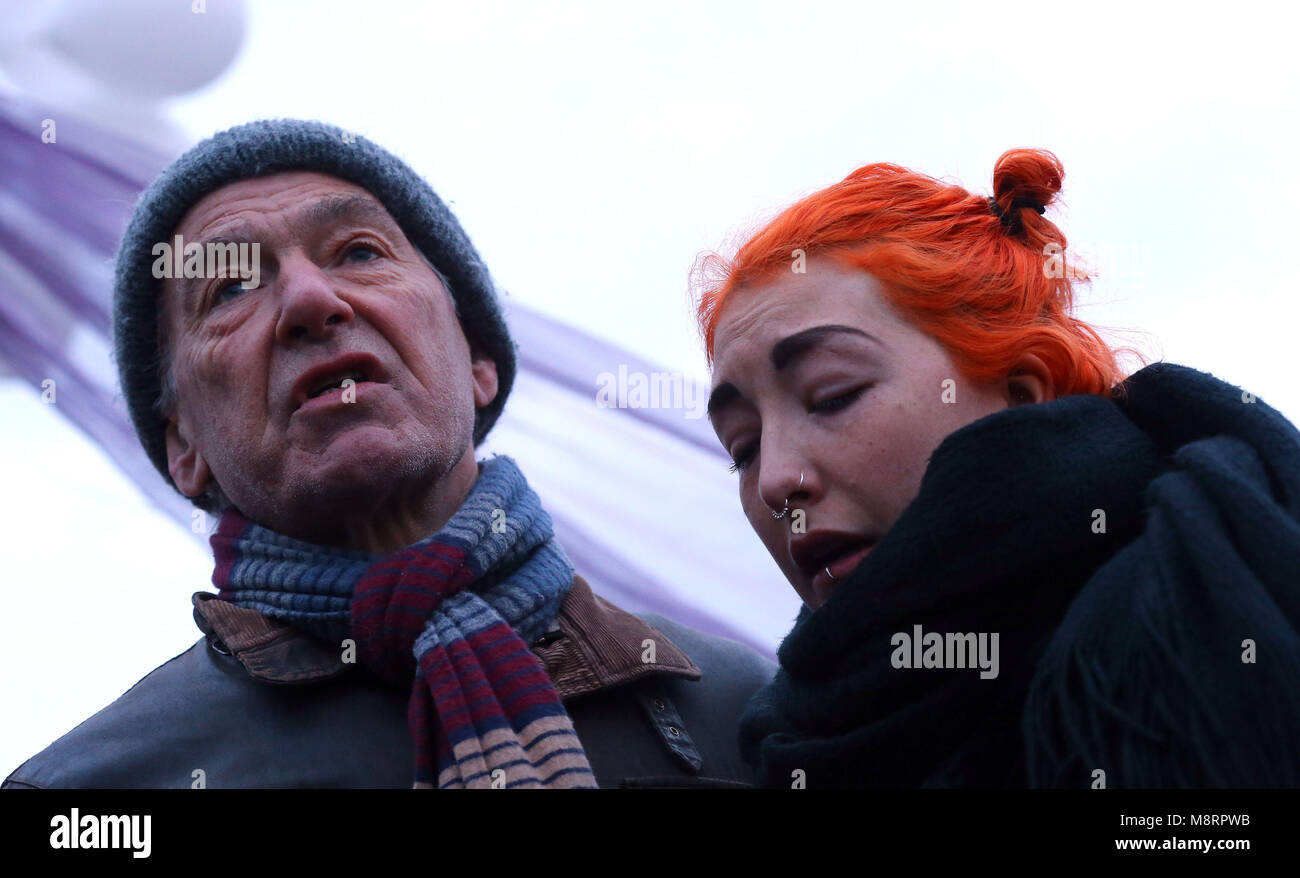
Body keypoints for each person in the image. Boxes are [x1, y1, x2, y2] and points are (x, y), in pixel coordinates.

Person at [3, 119, 774, 790]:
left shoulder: (753, 717)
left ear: (478, 359)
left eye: (360, 250)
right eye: (230, 287)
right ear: (184, 449)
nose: (310, 301)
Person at [695, 148, 1300, 788]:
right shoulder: (778, 743)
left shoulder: (1188, 633)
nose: (776, 480)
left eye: (834, 394)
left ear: (1021, 393)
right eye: (743, 446)